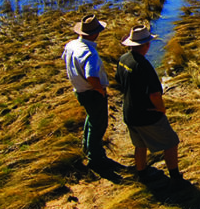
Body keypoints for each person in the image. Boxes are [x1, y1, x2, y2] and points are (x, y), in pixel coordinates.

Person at [115, 25, 187, 186]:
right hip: (146, 115)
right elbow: (154, 94)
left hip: (129, 112)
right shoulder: (143, 66)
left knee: (140, 144)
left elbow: (119, 80)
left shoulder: (123, 59)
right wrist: (161, 108)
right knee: (171, 142)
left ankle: (142, 174)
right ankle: (175, 177)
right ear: (146, 45)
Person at [62, 14, 111, 168]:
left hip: (79, 90)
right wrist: (100, 90)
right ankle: (95, 158)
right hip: (92, 93)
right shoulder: (90, 53)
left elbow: (65, 59)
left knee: (92, 119)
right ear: (95, 33)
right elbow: (91, 76)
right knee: (99, 125)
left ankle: (87, 146)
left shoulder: (71, 45)